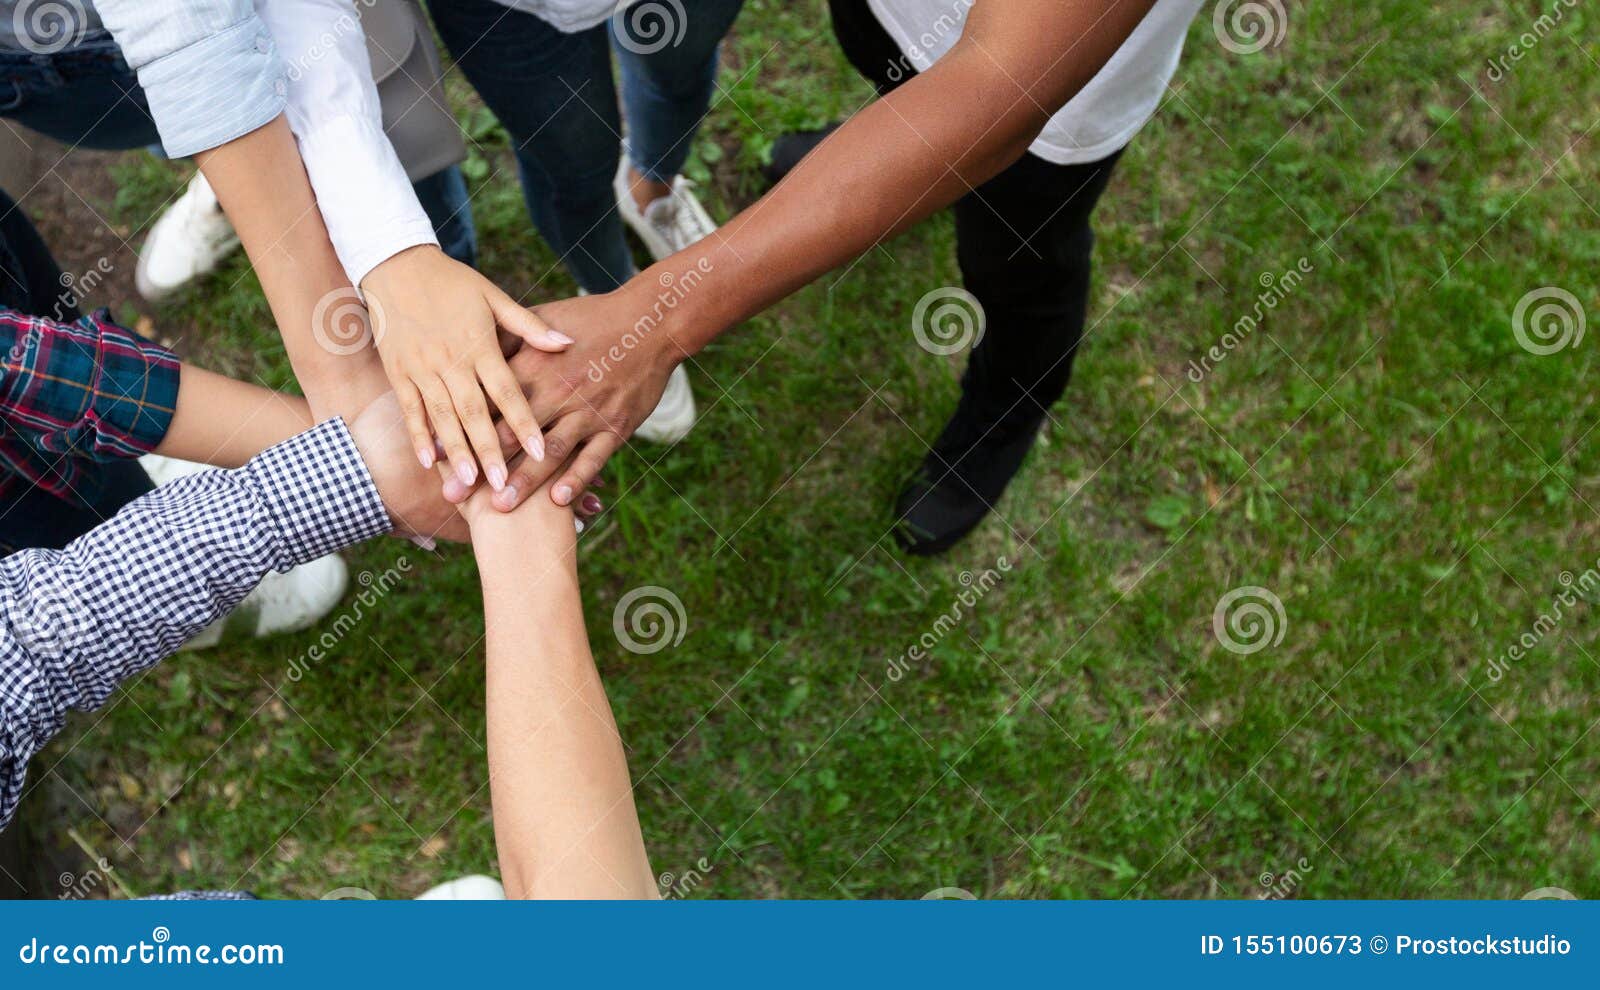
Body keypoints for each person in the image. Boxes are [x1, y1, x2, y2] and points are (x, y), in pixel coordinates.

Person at [477, 0, 1205, 558]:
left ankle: (1008, 406)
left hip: (1048, 86)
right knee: (893, 82)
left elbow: (999, 87)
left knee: (1017, 253)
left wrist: (657, 319)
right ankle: (885, 170)